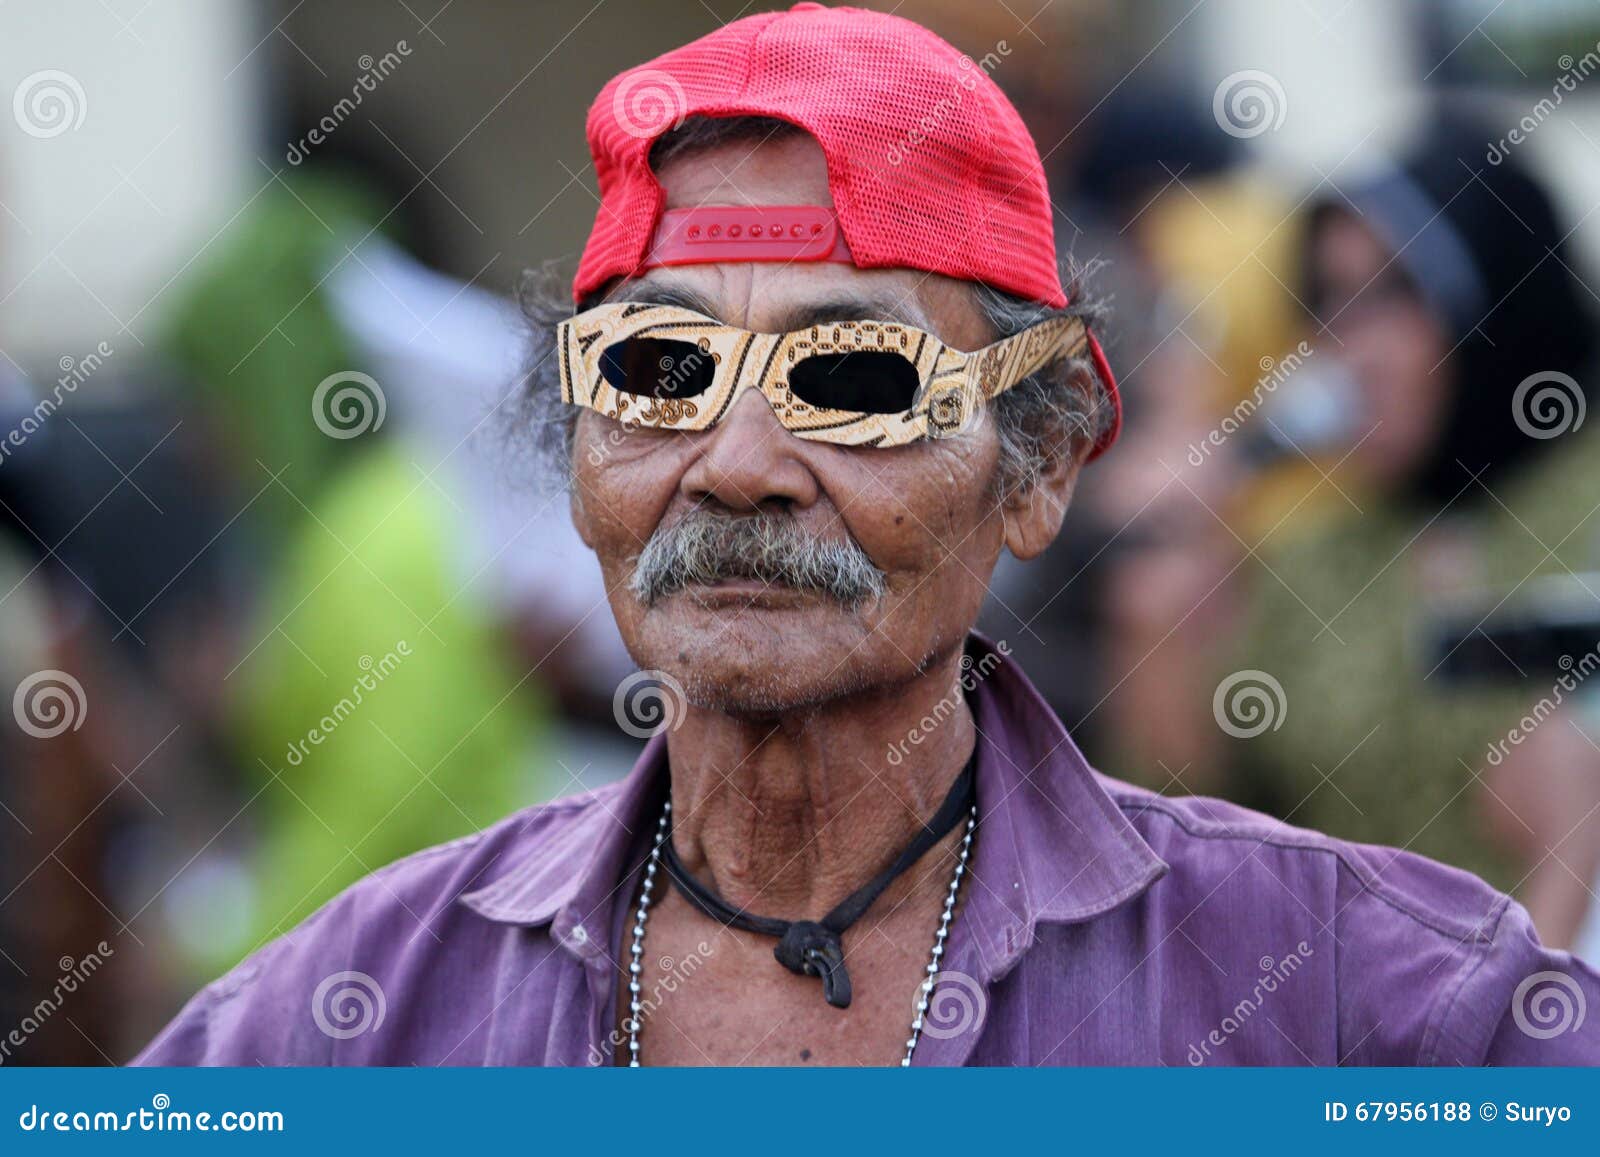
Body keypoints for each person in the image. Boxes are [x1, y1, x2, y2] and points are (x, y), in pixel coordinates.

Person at [135, 5, 1598, 1066]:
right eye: (658, 370)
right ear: (576, 459)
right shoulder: (344, 1021)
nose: (739, 467)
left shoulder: (1381, 1008)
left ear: (1038, 462)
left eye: (854, 383)